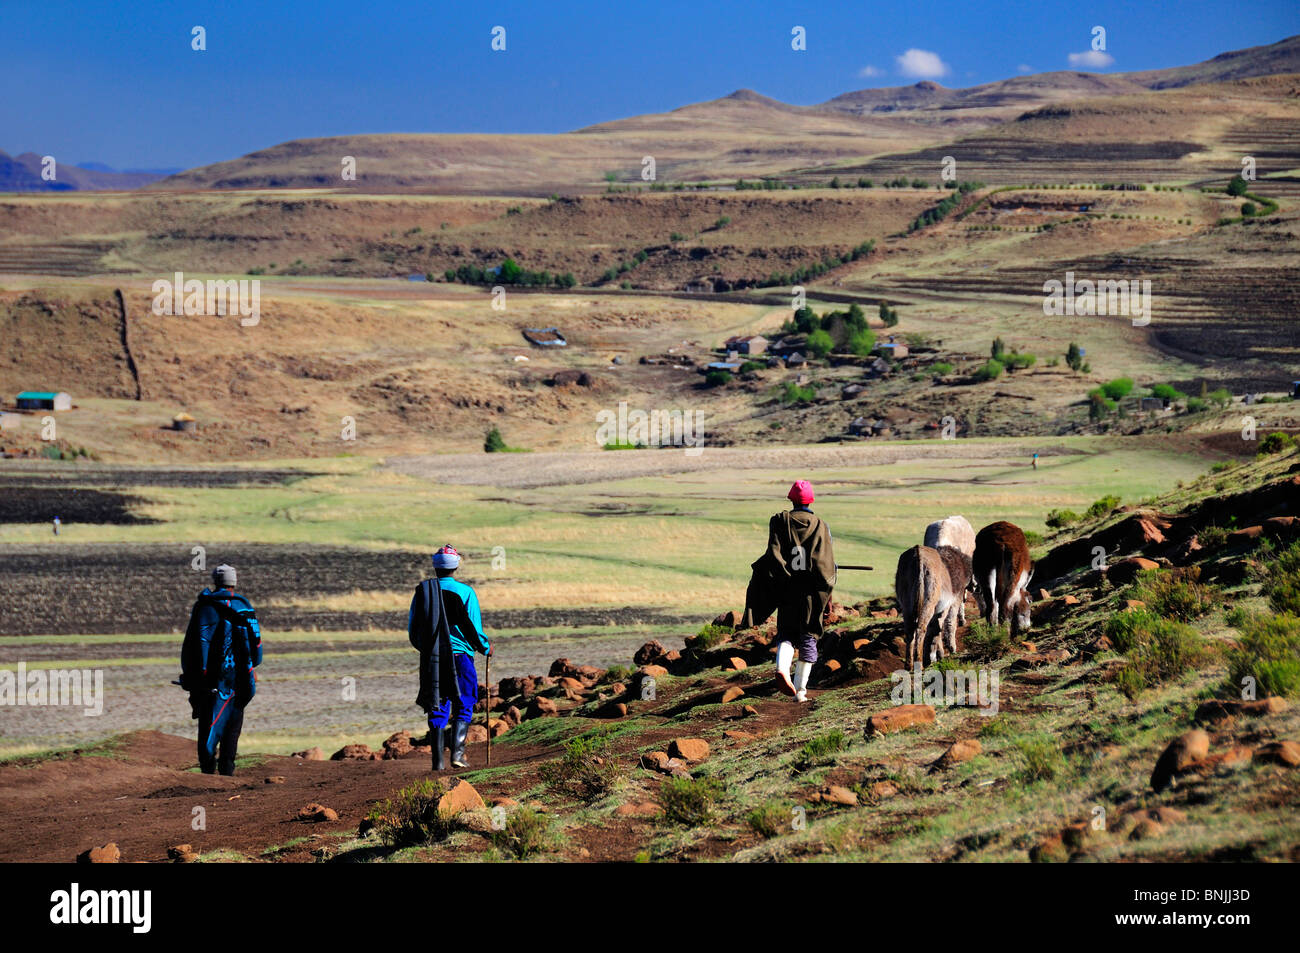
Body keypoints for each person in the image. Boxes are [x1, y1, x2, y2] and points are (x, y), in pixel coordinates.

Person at [739, 480, 836, 703]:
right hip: (811, 593)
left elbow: (773, 554)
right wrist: (826, 594)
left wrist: (781, 580)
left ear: (791, 499)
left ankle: (783, 669)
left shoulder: (779, 521)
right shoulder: (821, 525)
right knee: (809, 636)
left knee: (786, 633)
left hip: (787, 590)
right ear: (811, 500)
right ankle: (801, 691)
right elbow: (825, 564)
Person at [408, 545, 491, 771]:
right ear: (455, 566)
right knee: (464, 701)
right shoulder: (465, 593)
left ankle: (437, 762)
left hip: (432, 659)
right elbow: (472, 626)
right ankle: (458, 754)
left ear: (436, 566)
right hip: (460, 656)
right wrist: (484, 647)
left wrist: (427, 650)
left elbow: (412, 630)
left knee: (437, 703)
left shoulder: (422, 592)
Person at [180, 564, 262, 775]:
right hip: (239, 680)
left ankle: (207, 773)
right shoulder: (245, 607)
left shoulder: (204, 607)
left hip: (209, 683)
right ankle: (228, 771)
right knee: (233, 725)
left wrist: (190, 676)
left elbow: (192, 646)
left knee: (209, 725)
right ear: (233, 583)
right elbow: (257, 648)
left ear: (216, 581)